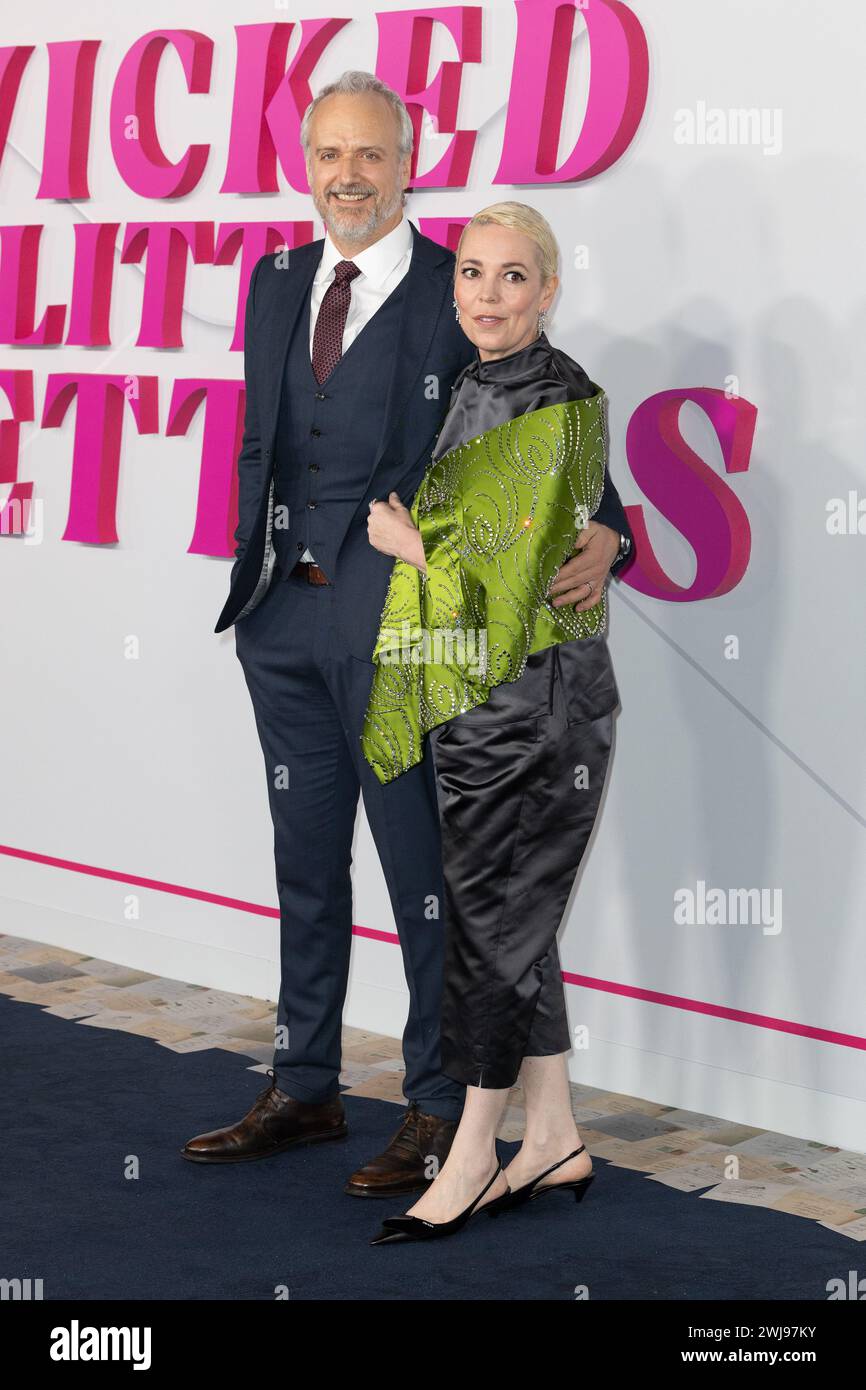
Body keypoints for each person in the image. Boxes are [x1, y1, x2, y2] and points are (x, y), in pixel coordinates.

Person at [182, 74, 633, 1203]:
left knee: (426, 876)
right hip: (282, 615)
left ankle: (441, 1106)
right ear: (306, 162)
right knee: (303, 860)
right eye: (328, 153)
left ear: (405, 161)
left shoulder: (457, 282)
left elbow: (550, 429)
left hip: (405, 636)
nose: (347, 174)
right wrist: (252, 580)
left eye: (369, 155)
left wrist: (611, 533)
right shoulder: (275, 278)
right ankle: (305, 1080)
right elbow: (262, 439)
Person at [363, 202, 630, 1244]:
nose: (484, 294)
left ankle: (470, 1151)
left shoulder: (558, 396)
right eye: (471, 272)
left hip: (536, 711)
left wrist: (412, 546)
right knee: (507, 921)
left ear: (547, 289)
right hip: (473, 697)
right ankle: (553, 1133)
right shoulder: (478, 378)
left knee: (485, 925)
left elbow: (515, 582)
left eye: (511, 277)